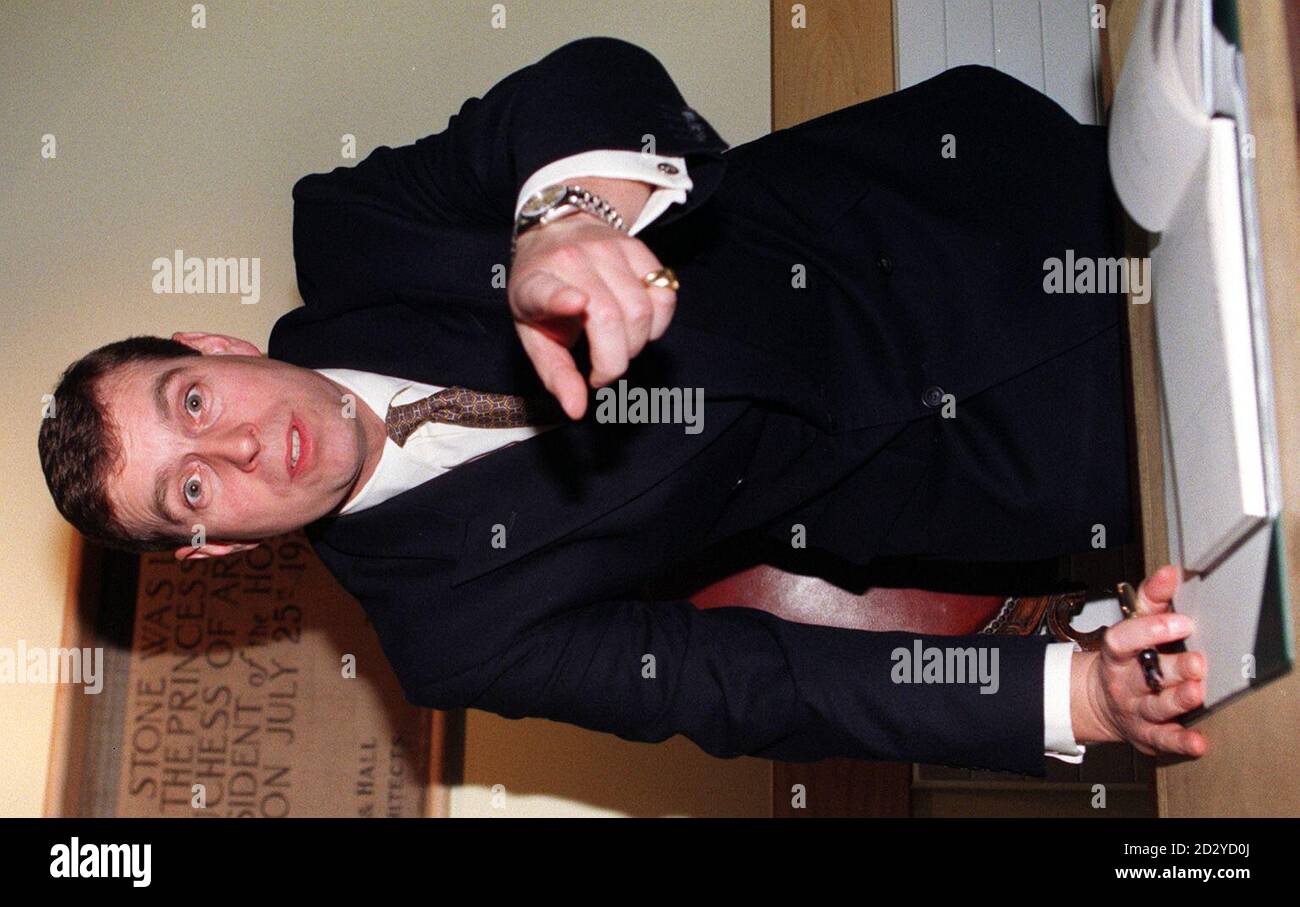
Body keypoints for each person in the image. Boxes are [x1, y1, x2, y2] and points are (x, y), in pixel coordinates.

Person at [38, 37, 1206, 774]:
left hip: (975, 200)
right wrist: (1080, 697)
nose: (240, 442)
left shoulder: (355, 230)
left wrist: (566, 214)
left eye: (191, 397)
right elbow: (750, 687)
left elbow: (578, 83)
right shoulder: (450, 633)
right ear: (216, 541)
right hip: (1017, 461)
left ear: (210, 342)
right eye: (194, 485)